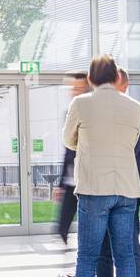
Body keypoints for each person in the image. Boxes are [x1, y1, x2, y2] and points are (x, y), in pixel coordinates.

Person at [61, 55, 140, 277]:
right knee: (125, 257)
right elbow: (131, 143)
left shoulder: (81, 104)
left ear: (93, 78)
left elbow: (68, 140)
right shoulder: (134, 107)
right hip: (127, 188)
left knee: (87, 257)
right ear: (116, 77)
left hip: (95, 188)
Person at [96, 67, 140, 277]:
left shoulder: (135, 110)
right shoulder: (98, 108)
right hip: (104, 185)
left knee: (130, 249)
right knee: (103, 248)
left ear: (122, 85)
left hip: (129, 184)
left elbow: (132, 148)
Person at [54, 72, 88, 243]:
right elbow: (67, 149)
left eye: (79, 88)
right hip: (71, 176)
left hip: (86, 176)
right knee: (62, 223)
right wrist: (60, 183)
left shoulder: (91, 112)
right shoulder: (69, 112)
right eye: (73, 88)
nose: (75, 91)